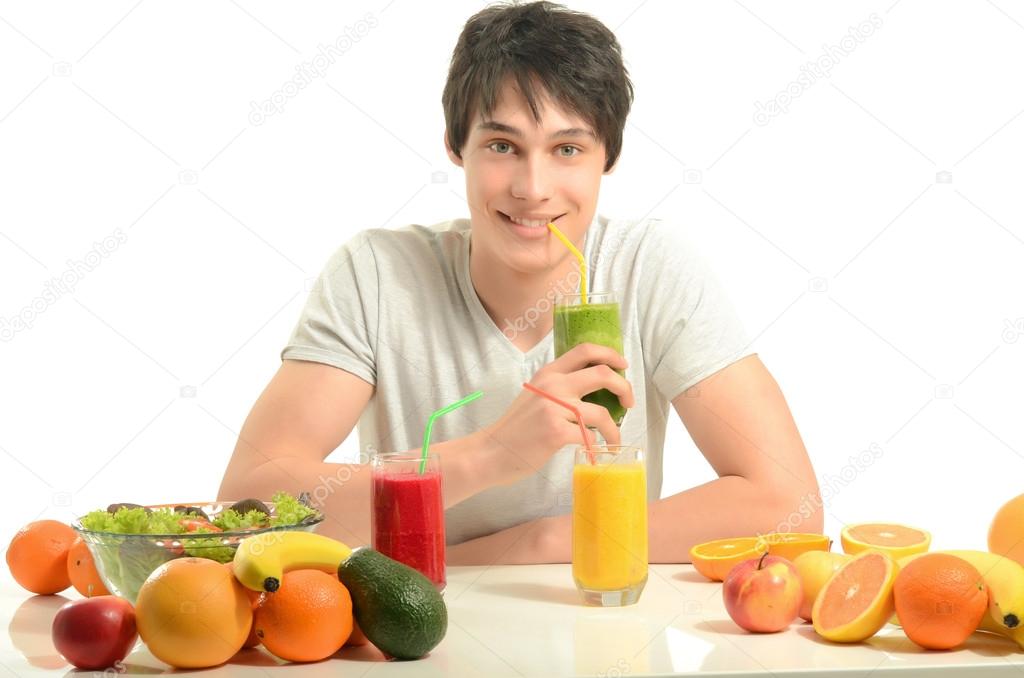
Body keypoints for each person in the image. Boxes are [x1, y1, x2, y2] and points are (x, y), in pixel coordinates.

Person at [217, 1, 822, 564]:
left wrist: (544, 540)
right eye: (503, 145)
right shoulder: (376, 275)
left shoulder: (649, 267)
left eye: (567, 149)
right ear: (457, 147)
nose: (533, 189)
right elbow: (249, 502)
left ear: (607, 157)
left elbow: (790, 506)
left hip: (600, 628)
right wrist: (490, 455)